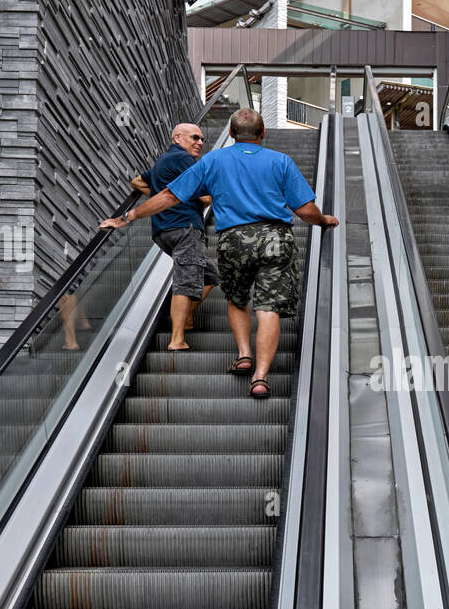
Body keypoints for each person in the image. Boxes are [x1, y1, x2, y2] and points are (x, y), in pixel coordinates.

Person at [100, 109, 339, 397]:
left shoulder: (213, 160)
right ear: (263, 134)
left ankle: (244, 354)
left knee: (237, 299)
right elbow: (305, 210)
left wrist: (126, 217)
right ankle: (260, 378)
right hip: (276, 238)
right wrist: (325, 220)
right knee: (268, 309)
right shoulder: (280, 161)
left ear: (232, 134)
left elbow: (168, 196)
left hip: (234, 239)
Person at [110, 123, 217, 351]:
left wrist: (165, 195)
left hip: (163, 230)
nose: (200, 143)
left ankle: (187, 319)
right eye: (195, 138)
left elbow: (137, 181)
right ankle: (176, 339)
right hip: (185, 227)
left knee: (210, 274)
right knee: (185, 281)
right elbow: (207, 197)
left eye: (202, 139)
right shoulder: (183, 159)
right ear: (178, 138)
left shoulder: (164, 161)